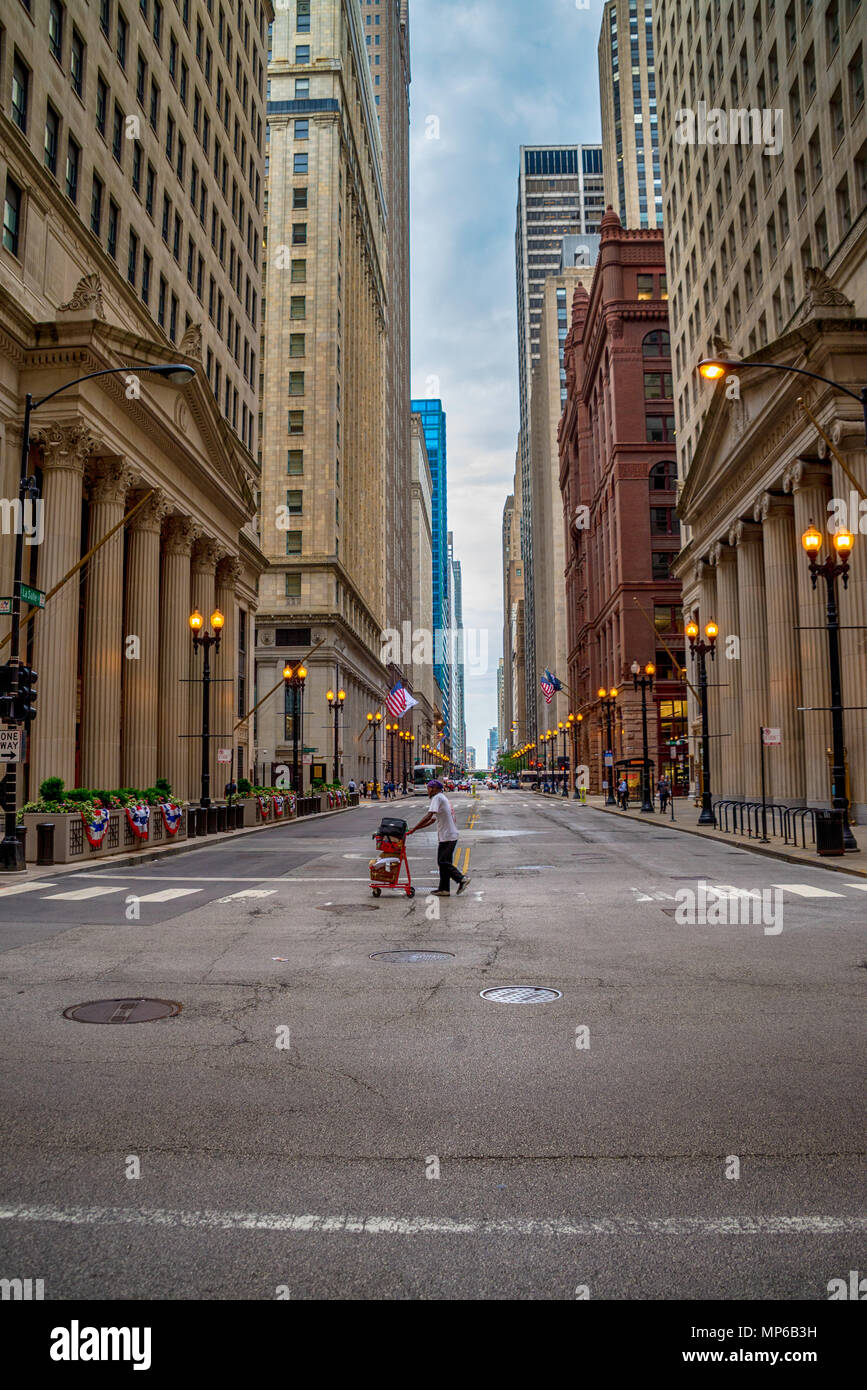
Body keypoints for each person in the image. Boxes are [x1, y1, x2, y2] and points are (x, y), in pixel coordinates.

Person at [407, 779, 470, 897]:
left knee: (443, 862)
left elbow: (429, 815)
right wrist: (415, 829)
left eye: (429, 788)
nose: (428, 791)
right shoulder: (442, 798)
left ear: (435, 788)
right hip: (448, 835)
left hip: (448, 836)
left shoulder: (437, 798)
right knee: (444, 863)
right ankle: (444, 889)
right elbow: (432, 820)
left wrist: (414, 828)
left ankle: (461, 879)